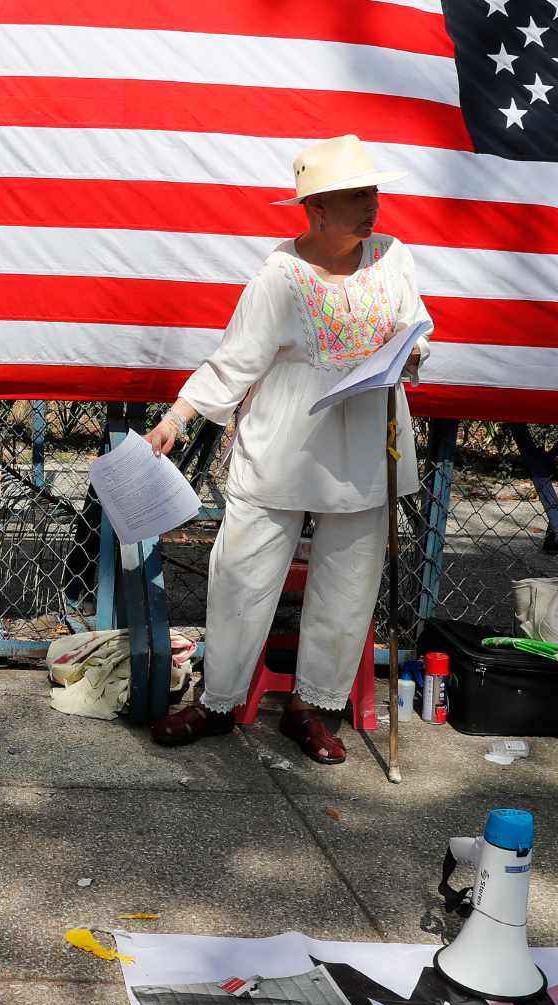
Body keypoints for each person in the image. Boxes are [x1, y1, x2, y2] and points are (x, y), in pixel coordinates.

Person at [144, 135, 430, 764]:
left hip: (364, 443)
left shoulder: (392, 258)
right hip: (283, 444)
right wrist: (178, 417)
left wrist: (409, 352)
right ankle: (215, 702)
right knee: (242, 571)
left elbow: (416, 327)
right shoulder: (280, 275)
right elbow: (235, 360)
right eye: (355, 194)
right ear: (316, 208)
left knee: (348, 584)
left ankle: (312, 706)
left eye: (372, 191)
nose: (371, 205)